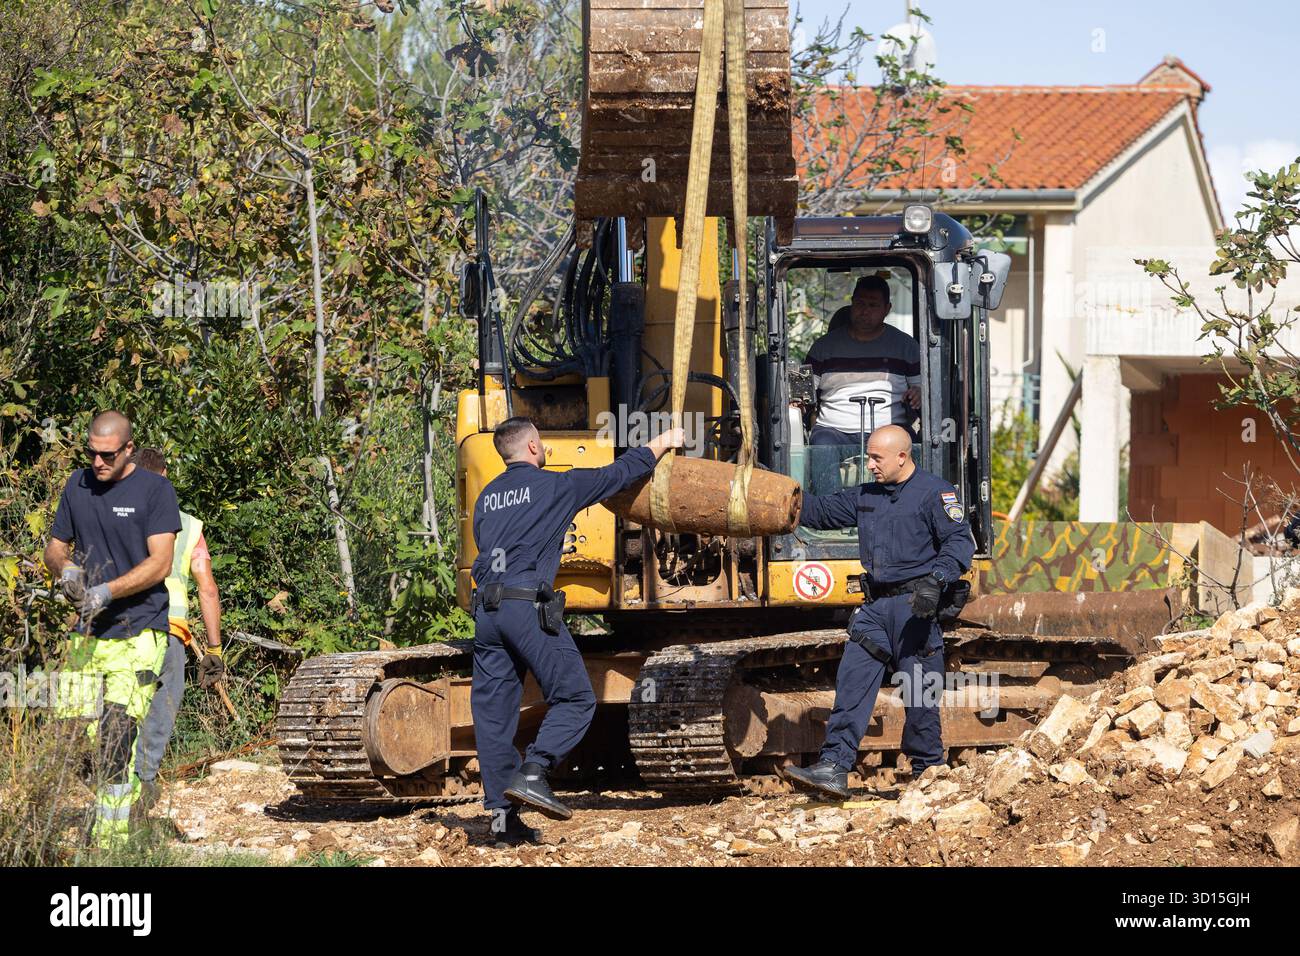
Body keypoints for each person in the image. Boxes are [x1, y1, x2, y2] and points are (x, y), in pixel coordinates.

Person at [470, 416, 683, 844]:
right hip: (525, 606)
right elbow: (618, 474)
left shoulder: (486, 498)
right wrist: (664, 440)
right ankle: (535, 770)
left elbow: (493, 552)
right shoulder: (554, 487)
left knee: (493, 720)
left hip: (487, 612)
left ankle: (501, 823)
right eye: (542, 442)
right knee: (576, 697)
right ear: (533, 447)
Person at [783, 424, 974, 799]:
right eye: (868, 456)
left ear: (902, 457)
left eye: (876, 458)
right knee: (851, 687)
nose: (868, 464)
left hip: (916, 609)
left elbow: (958, 541)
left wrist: (936, 581)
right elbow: (820, 512)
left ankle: (927, 776)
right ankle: (834, 768)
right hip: (874, 609)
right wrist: (775, 494)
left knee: (920, 697)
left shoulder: (935, 493)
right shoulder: (866, 495)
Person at [43, 411, 181, 847]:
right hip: (86, 634)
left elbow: (160, 563)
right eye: (91, 453)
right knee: (77, 736)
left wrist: (107, 591)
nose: (98, 462)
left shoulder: (155, 491)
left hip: (139, 630)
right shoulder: (77, 485)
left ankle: (111, 841)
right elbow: (55, 545)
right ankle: (127, 796)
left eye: (107, 455)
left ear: (127, 449)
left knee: (116, 735)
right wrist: (65, 570)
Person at [131, 448, 224, 813]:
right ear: (166, 475)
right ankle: (145, 780)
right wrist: (214, 650)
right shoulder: (188, 526)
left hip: (123, 630)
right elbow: (207, 587)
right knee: (162, 706)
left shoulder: (114, 516)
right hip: (168, 632)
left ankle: (118, 782)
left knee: (124, 707)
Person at [803, 276, 922, 494]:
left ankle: (902, 509)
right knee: (821, 444)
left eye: (873, 305)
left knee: (910, 444)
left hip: (889, 428)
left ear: (887, 309)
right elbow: (803, 393)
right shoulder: (823, 347)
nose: (864, 310)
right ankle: (830, 512)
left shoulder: (906, 347)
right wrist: (796, 403)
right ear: (851, 304)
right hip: (834, 429)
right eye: (859, 304)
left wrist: (918, 394)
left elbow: (921, 391)